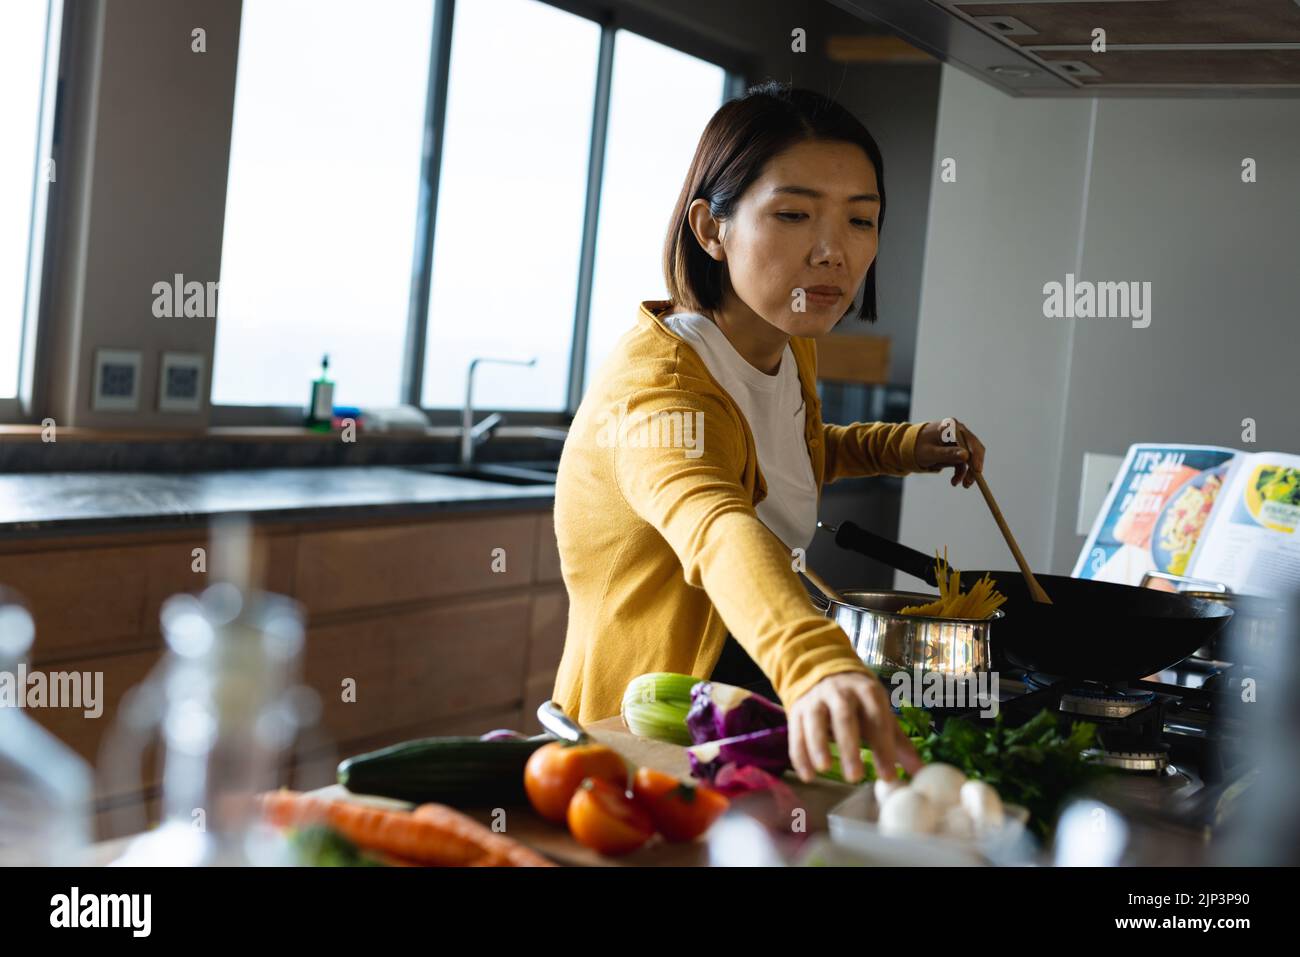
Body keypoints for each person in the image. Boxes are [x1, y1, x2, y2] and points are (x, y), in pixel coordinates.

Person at [551, 80, 986, 785]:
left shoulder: (785, 339)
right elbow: (717, 520)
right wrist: (814, 662)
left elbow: (789, 453)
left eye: (861, 221)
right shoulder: (658, 391)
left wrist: (903, 446)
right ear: (710, 228)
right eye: (792, 214)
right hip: (638, 739)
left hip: (740, 702)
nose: (832, 253)